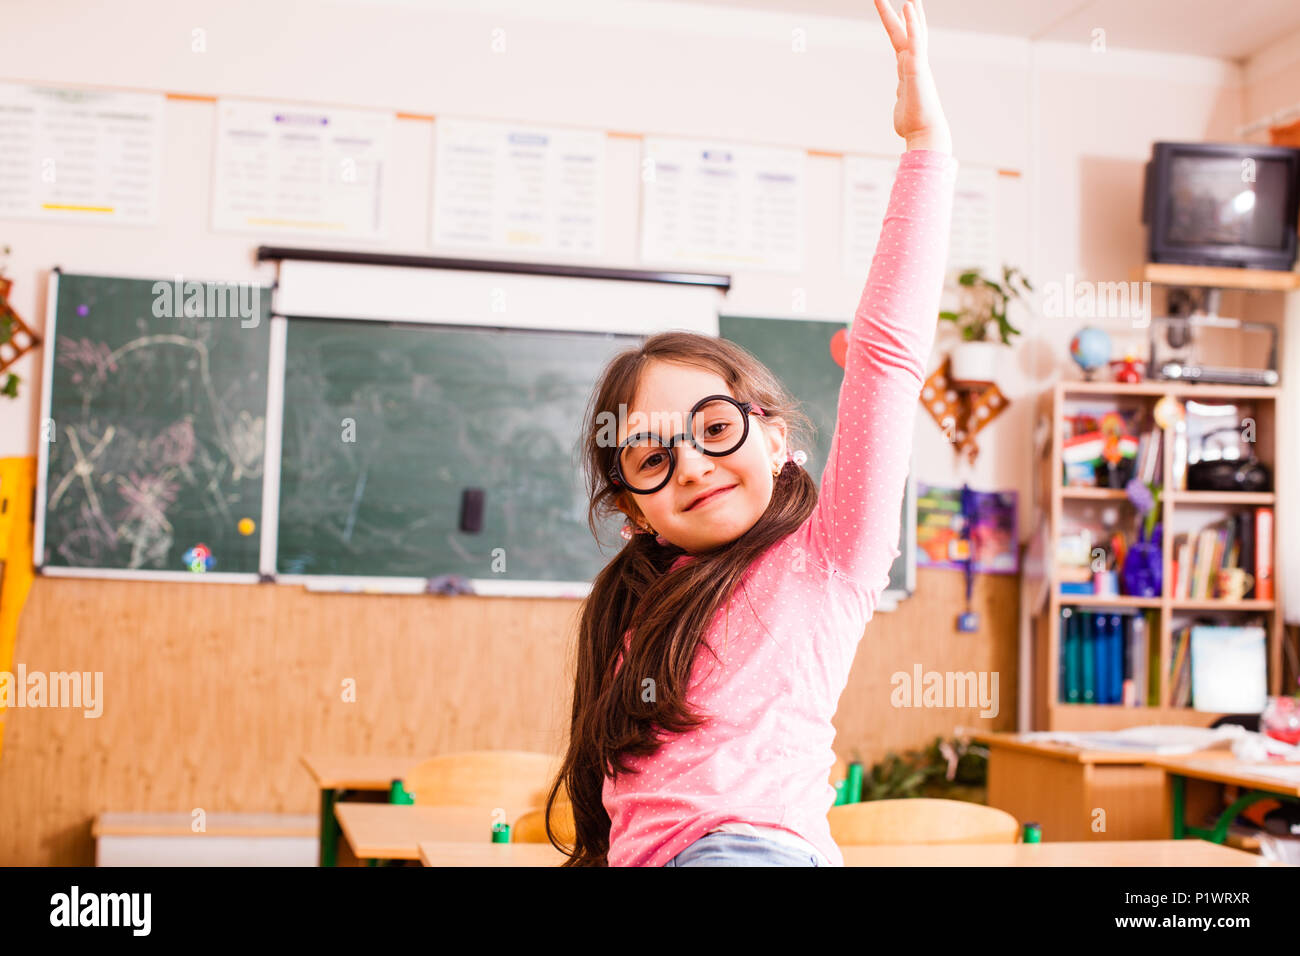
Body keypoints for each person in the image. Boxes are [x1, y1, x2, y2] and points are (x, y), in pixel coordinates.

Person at [548, 0, 958, 866]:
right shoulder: (627, 609)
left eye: (713, 427)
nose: (691, 463)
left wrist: (927, 150)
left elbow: (885, 357)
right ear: (635, 509)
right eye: (654, 457)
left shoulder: (828, 557)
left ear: (774, 438)